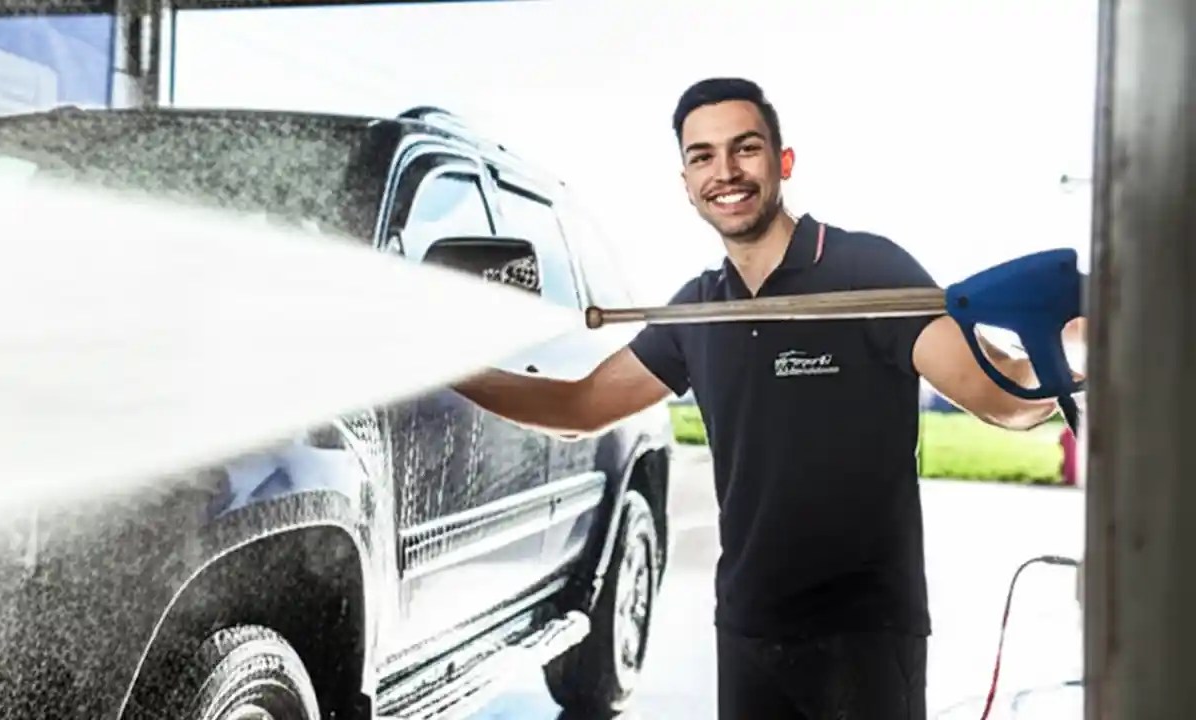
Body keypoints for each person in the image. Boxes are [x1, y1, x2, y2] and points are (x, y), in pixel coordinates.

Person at [453, 77, 1086, 719]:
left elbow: (997, 393)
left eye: (744, 148)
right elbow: (578, 408)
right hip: (748, 629)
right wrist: (447, 370)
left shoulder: (867, 272)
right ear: (686, 182)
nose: (725, 171)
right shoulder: (698, 310)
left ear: (783, 162)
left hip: (864, 637)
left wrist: (1080, 353)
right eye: (702, 156)